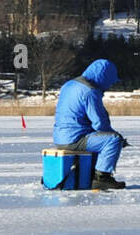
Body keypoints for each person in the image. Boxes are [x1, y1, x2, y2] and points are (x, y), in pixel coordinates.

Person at [52, 58, 129, 190]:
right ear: (104, 78)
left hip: (60, 138)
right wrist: (114, 136)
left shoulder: (69, 85)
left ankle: (91, 173)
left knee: (101, 138)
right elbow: (99, 123)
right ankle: (102, 177)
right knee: (113, 140)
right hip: (75, 139)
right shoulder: (90, 91)